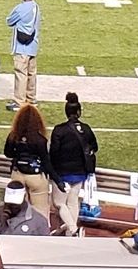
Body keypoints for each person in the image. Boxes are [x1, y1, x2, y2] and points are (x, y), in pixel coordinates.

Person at [45, 92, 97, 236]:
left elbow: (53, 152)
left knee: (60, 203)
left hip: (62, 173)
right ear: (79, 112)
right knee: (73, 202)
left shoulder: (59, 130)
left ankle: (73, 229)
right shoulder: (86, 129)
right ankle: (71, 233)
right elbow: (94, 147)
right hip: (80, 173)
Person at [1, 100, 53, 218]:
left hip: (17, 175)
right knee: (40, 212)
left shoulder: (13, 136)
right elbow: (46, 161)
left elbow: (7, 153)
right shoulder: (40, 139)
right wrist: (57, 180)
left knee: (17, 210)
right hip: (36, 177)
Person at [4, 0, 40, 105]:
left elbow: (9, 21)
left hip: (21, 46)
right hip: (33, 45)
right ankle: (31, 98)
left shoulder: (20, 8)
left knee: (21, 73)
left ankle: (19, 101)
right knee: (31, 73)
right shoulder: (36, 7)